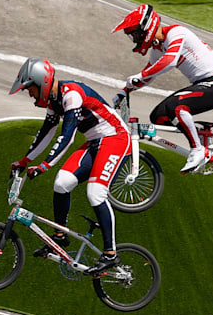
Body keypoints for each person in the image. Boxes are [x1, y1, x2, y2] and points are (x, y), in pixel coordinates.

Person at [8, 57, 131, 274]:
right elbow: (45, 133)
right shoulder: (54, 101)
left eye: (30, 89)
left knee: (96, 193)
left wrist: (45, 165)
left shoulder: (71, 94)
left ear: (42, 83)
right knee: (61, 183)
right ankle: (60, 237)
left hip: (115, 139)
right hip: (95, 142)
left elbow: (67, 137)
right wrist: (25, 160)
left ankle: (111, 254)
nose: (29, 94)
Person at [112, 3, 213, 173]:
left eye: (136, 34)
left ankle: (198, 150)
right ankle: (201, 138)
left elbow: (169, 62)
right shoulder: (158, 48)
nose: (135, 39)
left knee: (176, 106)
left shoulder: (176, 33)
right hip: (202, 84)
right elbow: (148, 75)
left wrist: (140, 76)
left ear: (147, 27)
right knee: (158, 116)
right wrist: (124, 91)